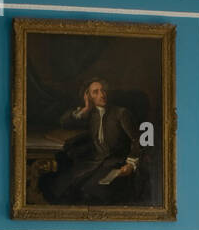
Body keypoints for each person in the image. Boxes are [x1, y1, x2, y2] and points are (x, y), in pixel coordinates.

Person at [42, 78, 145, 206]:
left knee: (91, 190)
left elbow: (137, 140)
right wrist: (85, 108)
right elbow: (64, 122)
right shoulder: (92, 114)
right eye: (95, 92)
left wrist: (131, 164)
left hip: (117, 164)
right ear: (88, 96)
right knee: (64, 186)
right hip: (94, 162)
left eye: (103, 91)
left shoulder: (120, 113)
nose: (101, 95)